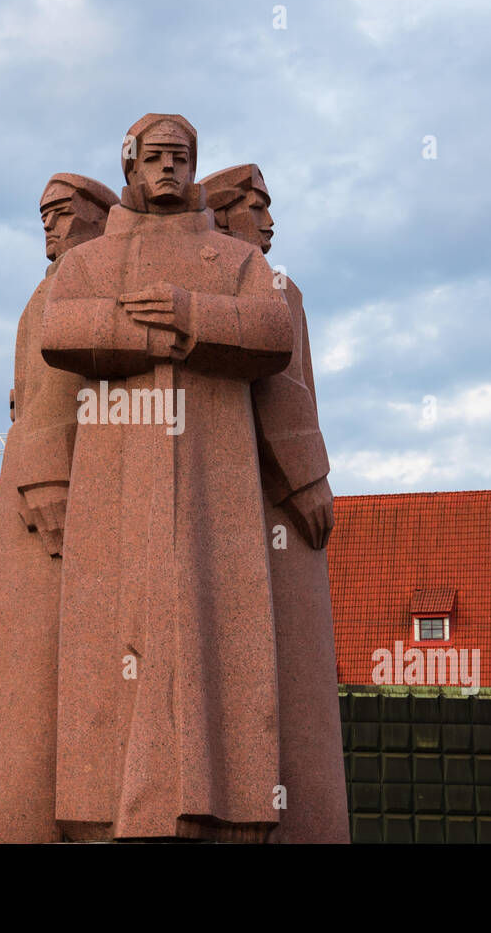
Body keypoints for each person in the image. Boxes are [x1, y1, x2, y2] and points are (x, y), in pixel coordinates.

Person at [40, 114, 294, 841]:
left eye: (181, 159)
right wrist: (149, 333)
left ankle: (231, 800)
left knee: (216, 634)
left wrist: (191, 315)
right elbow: (60, 331)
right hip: (113, 487)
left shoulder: (233, 261)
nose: (169, 171)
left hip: (219, 490)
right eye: (155, 159)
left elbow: (273, 334)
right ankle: (109, 806)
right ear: (130, 167)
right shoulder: (92, 262)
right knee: (115, 637)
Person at [201, 163, 350, 843]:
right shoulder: (270, 289)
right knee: (291, 667)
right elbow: (286, 392)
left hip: (231, 503)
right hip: (271, 508)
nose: (269, 221)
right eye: (257, 207)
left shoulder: (226, 293)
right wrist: (308, 479)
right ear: (227, 216)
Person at [0, 173, 118, 844]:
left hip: (50, 489)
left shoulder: (79, 281)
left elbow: (59, 392)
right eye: (44, 217)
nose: (49, 229)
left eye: (60, 215)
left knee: (52, 659)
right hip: (39, 492)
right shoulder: (58, 285)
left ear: (96, 218)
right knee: (33, 662)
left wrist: (46, 477)